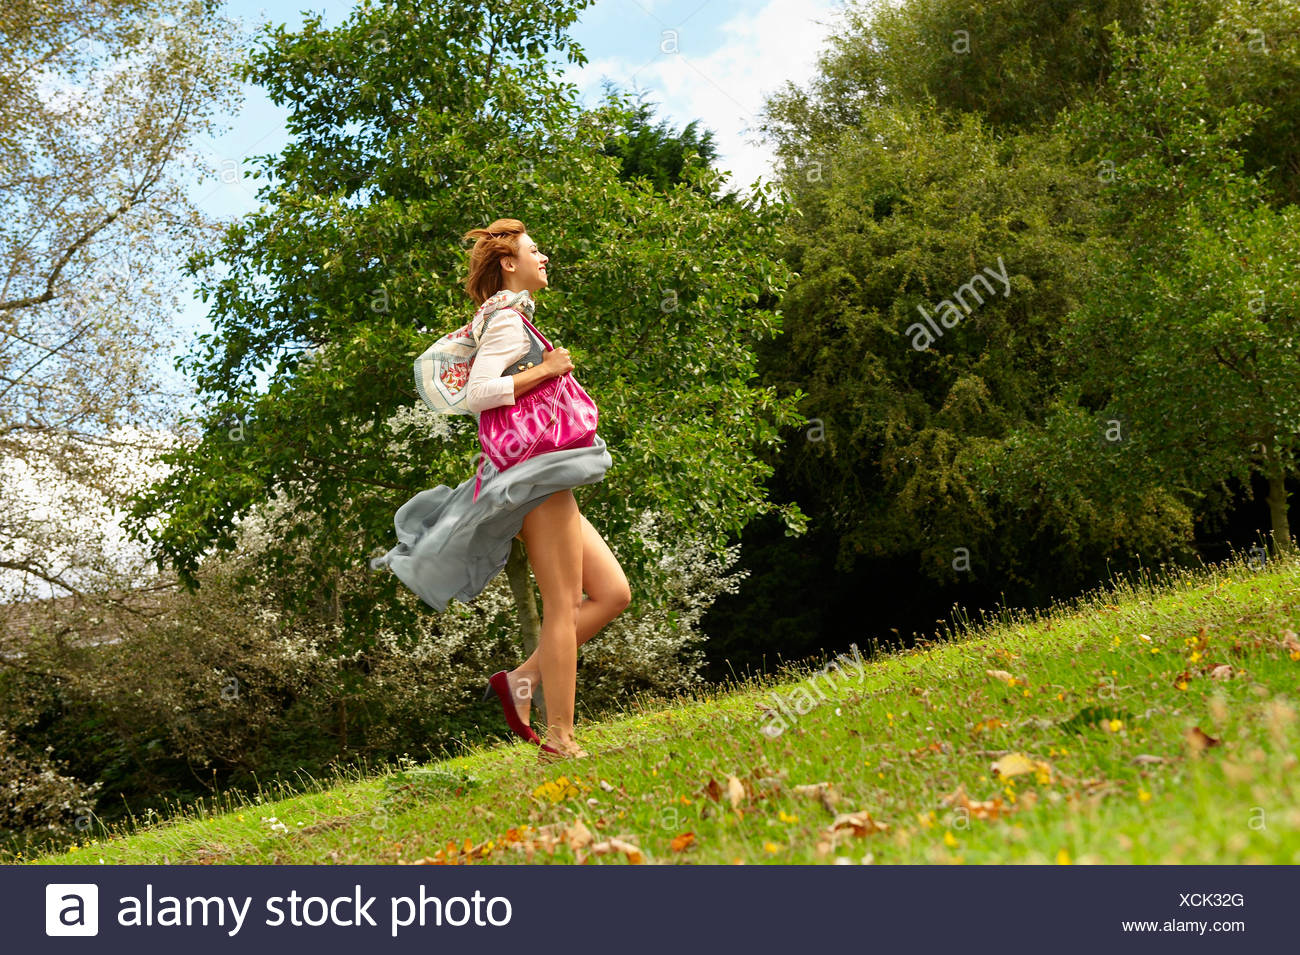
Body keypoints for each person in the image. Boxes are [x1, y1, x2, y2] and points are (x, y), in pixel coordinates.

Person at [370, 218, 630, 761]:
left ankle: (522, 681)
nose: (545, 258)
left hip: (544, 471)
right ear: (510, 264)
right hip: (536, 475)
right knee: (563, 604)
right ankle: (560, 739)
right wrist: (547, 370)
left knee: (612, 594)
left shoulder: (513, 318)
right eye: (536, 251)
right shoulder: (508, 320)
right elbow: (480, 393)